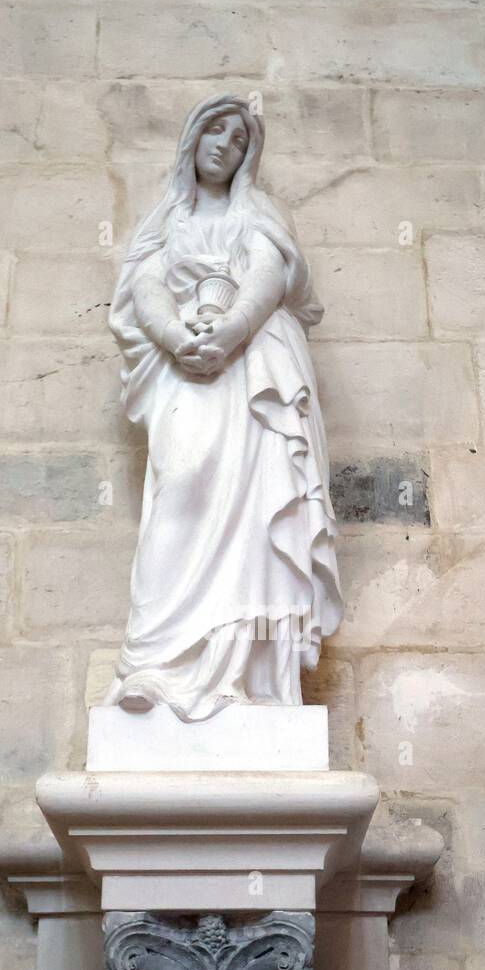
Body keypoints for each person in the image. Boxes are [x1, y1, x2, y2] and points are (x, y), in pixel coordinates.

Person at [104, 94, 342, 721]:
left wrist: (232, 329)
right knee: (181, 487)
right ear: (192, 138)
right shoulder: (166, 220)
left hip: (256, 369)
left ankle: (251, 679)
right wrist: (180, 340)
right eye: (214, 130)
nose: (224, 145)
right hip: (187, 369)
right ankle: (153, 667)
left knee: (261, 503)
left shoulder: (258, 211)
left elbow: (268, 270)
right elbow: (145, 288)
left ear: (248, 155)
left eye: (239, 139)